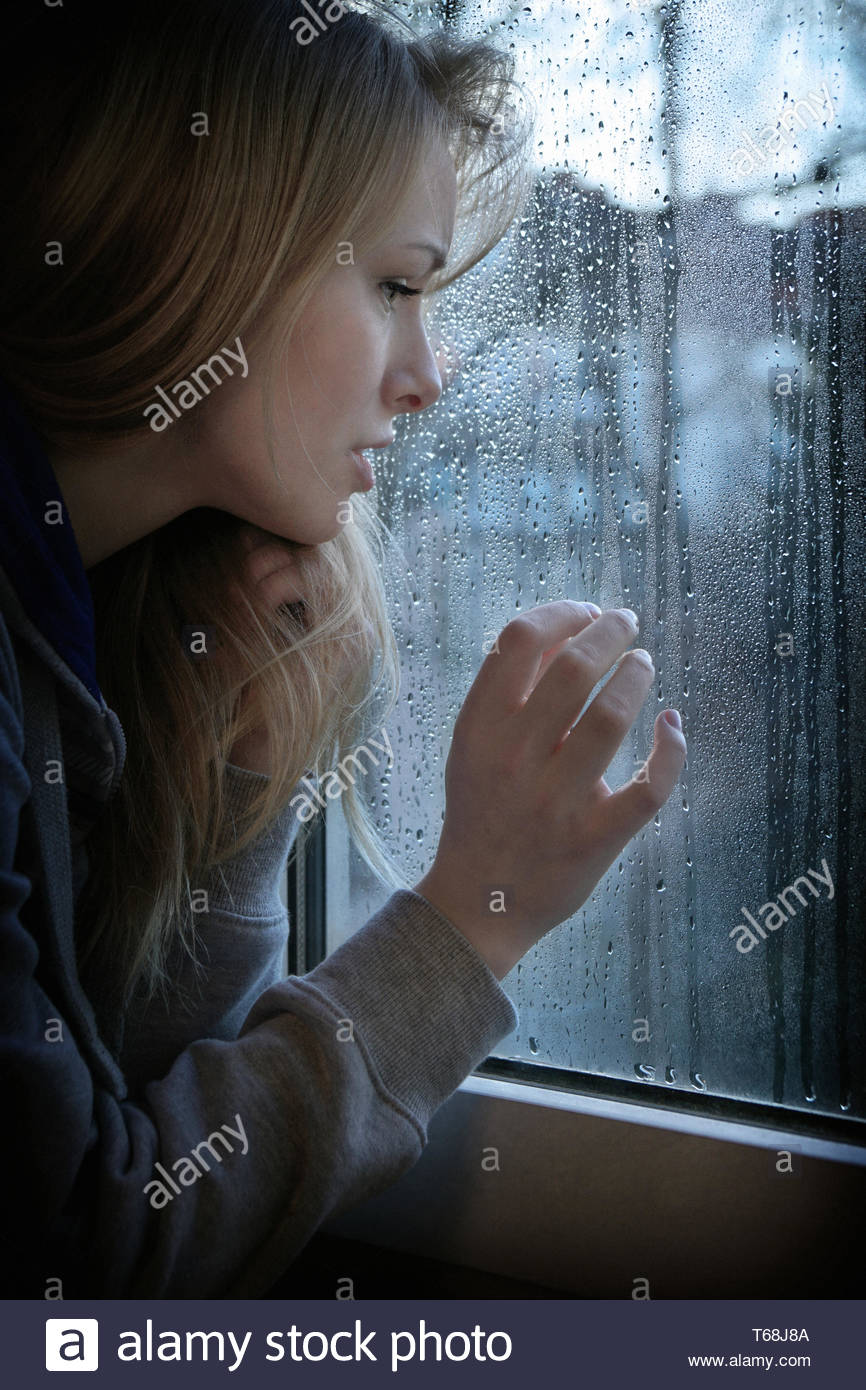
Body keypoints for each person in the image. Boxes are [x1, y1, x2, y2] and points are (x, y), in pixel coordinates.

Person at [0, 0, 686, 1297]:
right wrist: (471, 915)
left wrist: (243, 786)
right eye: (393, 285)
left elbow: (129, 1129)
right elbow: (75, 1277)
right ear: (206, 243)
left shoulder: (89, 624)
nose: (428, 375)